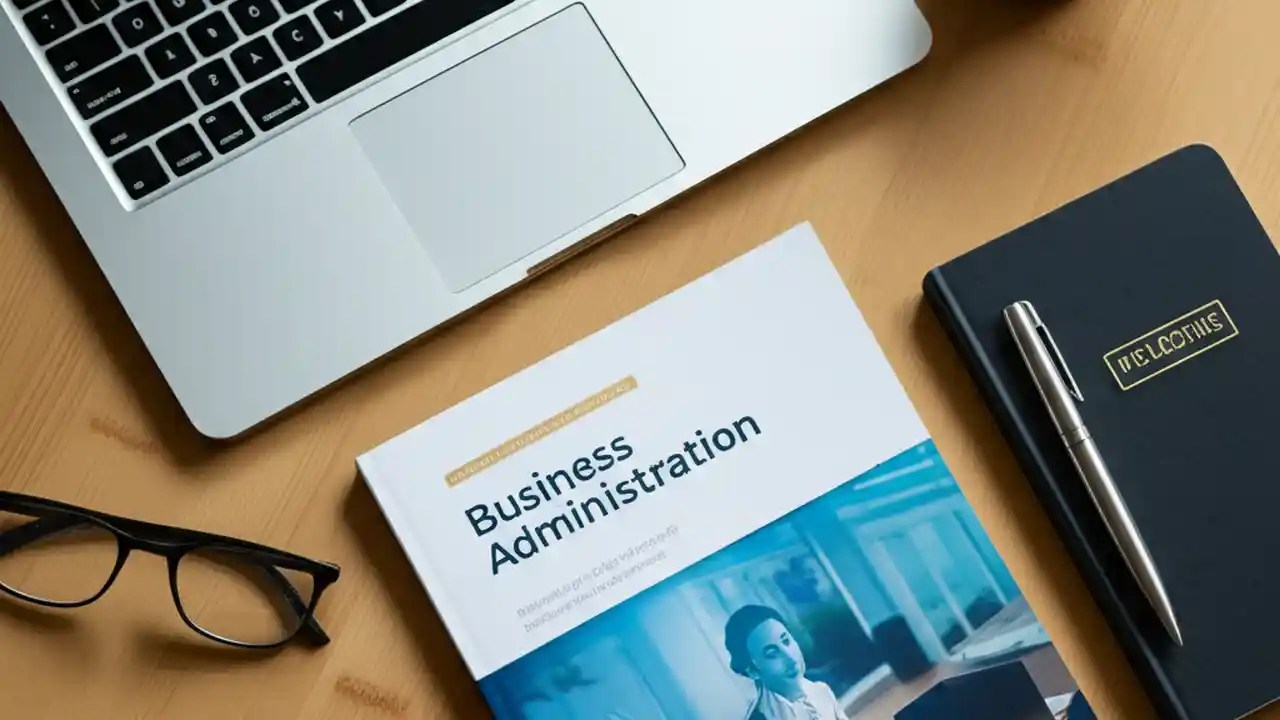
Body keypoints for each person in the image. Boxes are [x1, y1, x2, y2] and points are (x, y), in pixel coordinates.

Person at [724, 605, 851, 720]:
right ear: (752, 671)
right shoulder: (762, 717)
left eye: (786, 641)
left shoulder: (821, 691)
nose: (790, 657)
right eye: (772, 654)